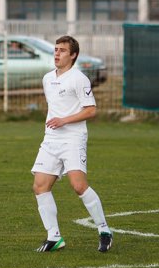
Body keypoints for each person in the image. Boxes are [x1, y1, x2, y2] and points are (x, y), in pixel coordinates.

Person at [31, 35, 112, 253]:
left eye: (62, 50)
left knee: (78, 185)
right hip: (51, 139)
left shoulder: (79, 78)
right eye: (56, 49)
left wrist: (64, 120)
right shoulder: (48, 78)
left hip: (73, 138)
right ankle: (54, 237)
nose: (57, 53)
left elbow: (90, 110)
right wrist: (53, 124)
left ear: (73, 55)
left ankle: (104, 230)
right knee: (40, 186)